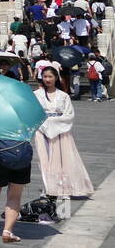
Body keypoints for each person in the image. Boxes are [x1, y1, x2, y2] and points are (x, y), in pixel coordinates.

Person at [31, 62, 94, 214]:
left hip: (61, 131)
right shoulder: (36, 95)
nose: (47, 79)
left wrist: (53, 122)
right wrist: (44, 123)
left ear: (56, 78)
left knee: (63, 161)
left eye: (50, 76)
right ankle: (49, 187)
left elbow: (69, 115)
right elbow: (33, 112)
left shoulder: (63, 95)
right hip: (42, 131)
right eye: (45, 76)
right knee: (45, 160)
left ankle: (63, 187)